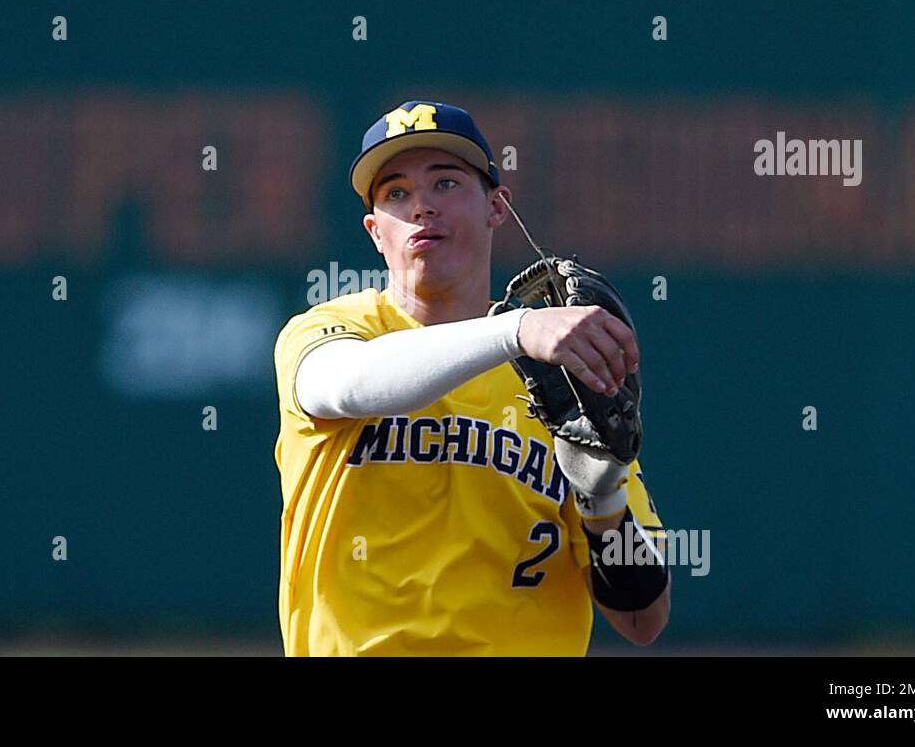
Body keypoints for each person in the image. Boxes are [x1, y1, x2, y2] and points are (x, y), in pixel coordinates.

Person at [273, 100, 669, 656]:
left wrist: (603, 503)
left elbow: (643, 620)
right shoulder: (333, 329)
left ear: (496, 206)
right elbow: (346, 385)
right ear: (374, 232)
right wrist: (517, 330)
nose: (421, 208)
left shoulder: (558, 371)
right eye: (396, 194)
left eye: (446, 183)